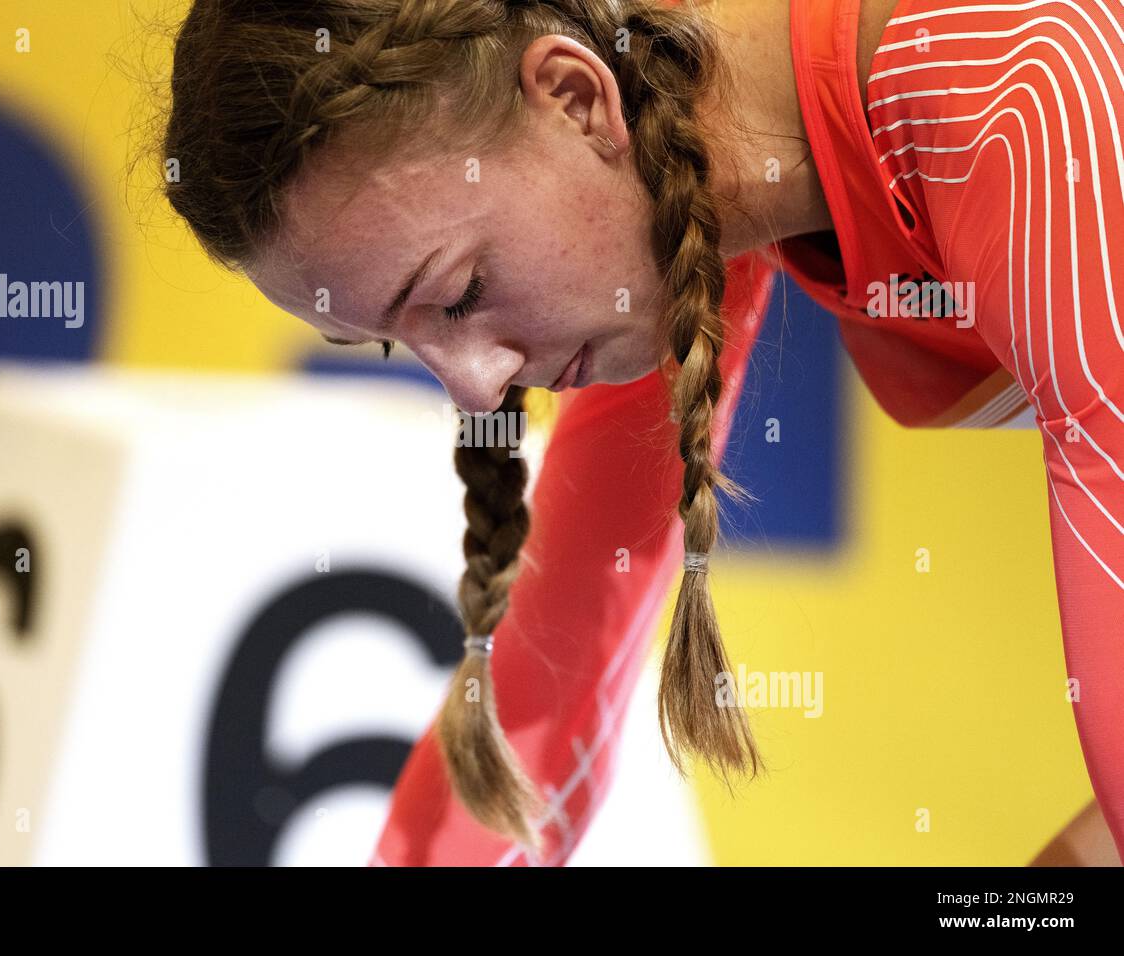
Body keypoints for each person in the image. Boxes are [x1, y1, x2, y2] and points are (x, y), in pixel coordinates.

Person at [160, 0, 1124, 864]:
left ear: (576, 99)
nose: (471, 386)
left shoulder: (1025, 93)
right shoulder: (678, 164)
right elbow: (548, 692)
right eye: (389, 344)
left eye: (460, 294)